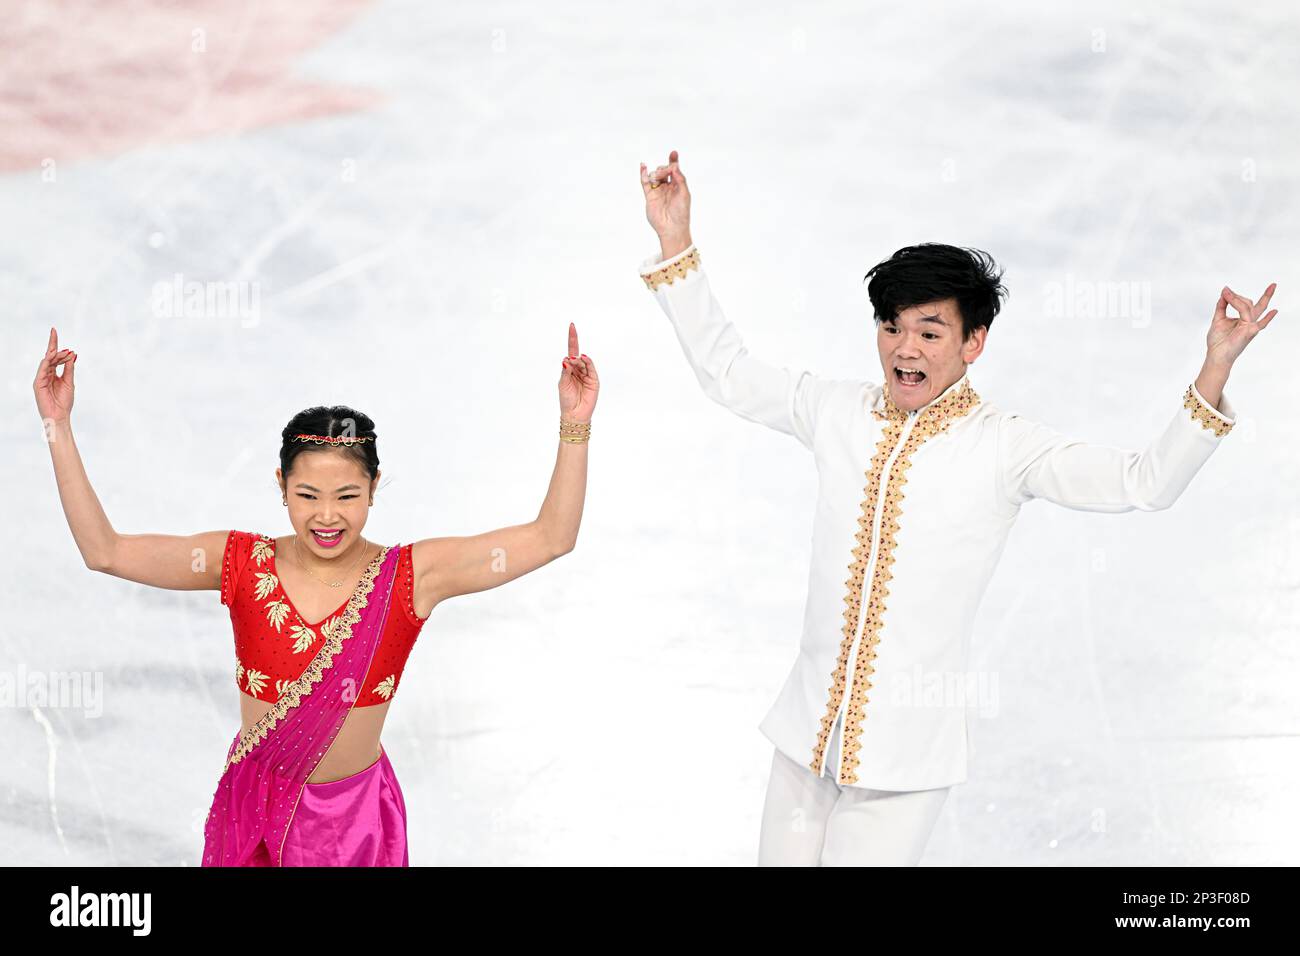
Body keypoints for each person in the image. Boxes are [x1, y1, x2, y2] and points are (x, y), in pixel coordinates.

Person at [637, 149, 1278, 866]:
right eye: (891, 326)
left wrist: (1215, 368)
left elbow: (1144, 482)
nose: (904, 348)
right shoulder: (836, 410)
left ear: (974, 343)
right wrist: (675, 244)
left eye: (929, 332)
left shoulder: (1004, 448)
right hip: (804, 736)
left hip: (904, 766)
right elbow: (728, 374)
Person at [32, 324, 599, 866]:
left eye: (347, 496)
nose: (327, 517)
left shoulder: (411, 576)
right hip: (256, 819)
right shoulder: (242, 563)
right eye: (307, 495)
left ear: (375, 489)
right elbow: (104, 550)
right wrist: (57, 425)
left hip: (357, 830)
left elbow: (551, 538)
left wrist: (575, 426)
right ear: (280, 486)